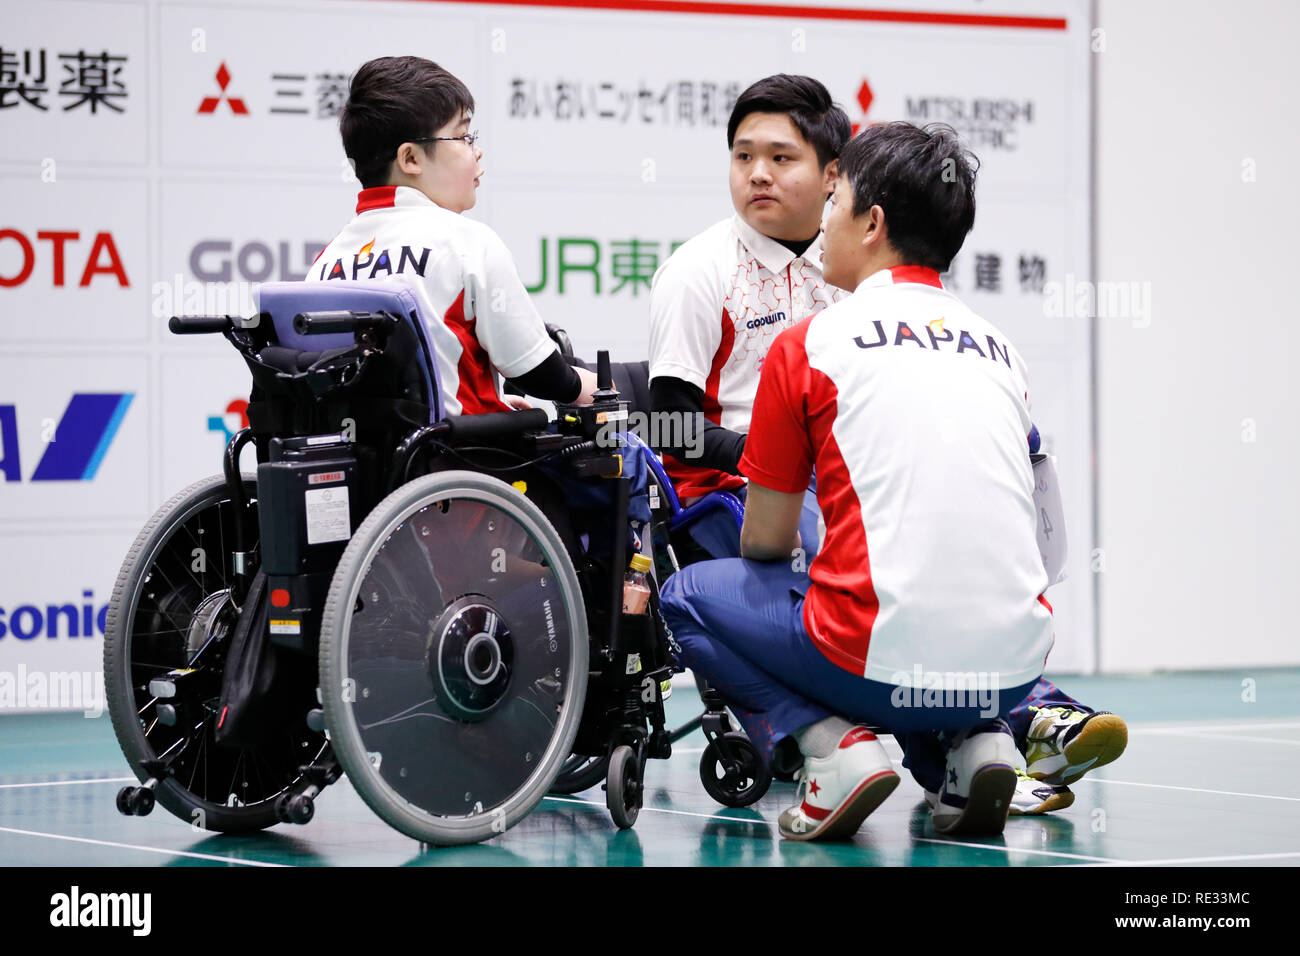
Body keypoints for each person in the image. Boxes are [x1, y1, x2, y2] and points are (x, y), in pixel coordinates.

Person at [651, 76, 1126, 818]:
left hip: (827, 544)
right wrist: (785, 461)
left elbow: (772, 543)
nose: (759, 174)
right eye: (743, 155)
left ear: (849, 200)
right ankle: (992, 735)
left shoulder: (822, 320)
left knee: (758, 588)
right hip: (741, 488)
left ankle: (838, 749)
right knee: (892, 555)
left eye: (786, 158)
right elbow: (664, 425)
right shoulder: (999, 346)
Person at [309, 56, 597, 414]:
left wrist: (489, 400)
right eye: (463, 136)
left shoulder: (326, 261)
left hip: (375, 461)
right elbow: (539, 373)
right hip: (458, 455)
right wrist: (597, 386)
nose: (477, 150)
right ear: (411, 158)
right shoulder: (466, 243)